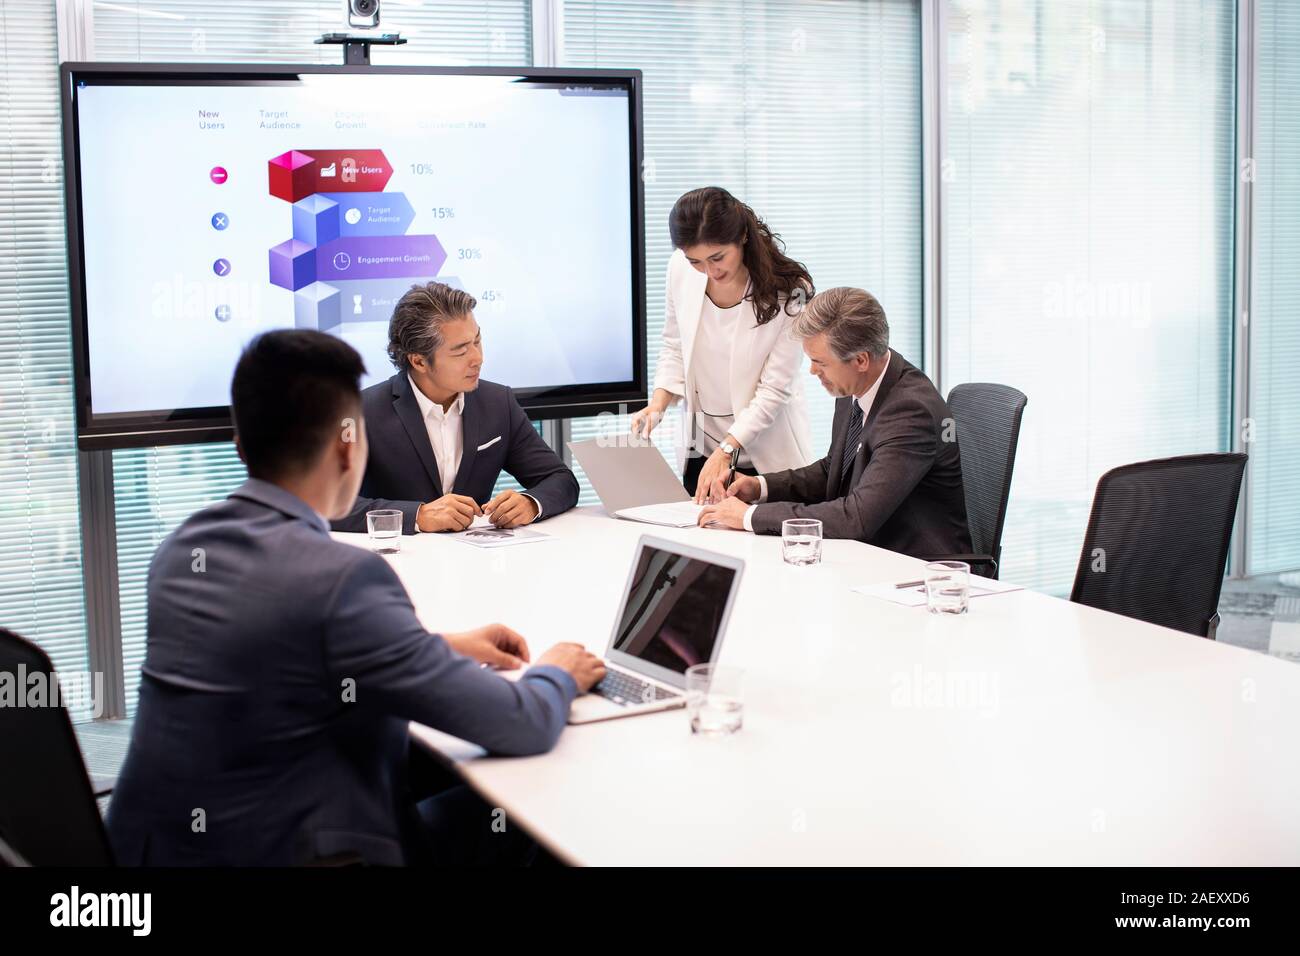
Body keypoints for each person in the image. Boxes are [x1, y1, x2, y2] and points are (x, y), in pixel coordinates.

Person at [106, 330, 605, 866]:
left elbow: (281, 651)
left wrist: (436, 647)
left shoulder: (181, 551)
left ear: (239, 442)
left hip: (153, 854)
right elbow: (520, 722)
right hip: (305, 853)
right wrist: (558, 671)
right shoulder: (345, 580)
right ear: (349, 448)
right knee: (540, 813)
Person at [698, 287, 971, 559]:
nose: (813, 371)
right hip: (867, 555)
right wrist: (760, 487)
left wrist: (750, 516)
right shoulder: (854, 383)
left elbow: (857, 517)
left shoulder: (911, 413)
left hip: (918, 569)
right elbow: (834, 470)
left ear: (860, 360)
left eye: (820, 363)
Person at [332, 282, 579, 535]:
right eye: (460, 351)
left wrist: (530, 503)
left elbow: (561, 480)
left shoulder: (498, 402)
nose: (478, 358)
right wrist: (417, 516)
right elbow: (325, 504)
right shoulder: (360, 412)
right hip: (394, 564)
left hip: (479, 562)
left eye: (477, 341)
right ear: (418, 361)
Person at [630, 186, 814, 502]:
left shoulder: (790, 291)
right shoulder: (679, 268)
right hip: (702, 451)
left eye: (718, 257)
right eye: (696, 261)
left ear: (742, 236)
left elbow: (773, 390)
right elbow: (675, 345)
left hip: (766, 458)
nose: (710, 272)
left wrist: (728, 447)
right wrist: (658, 404)